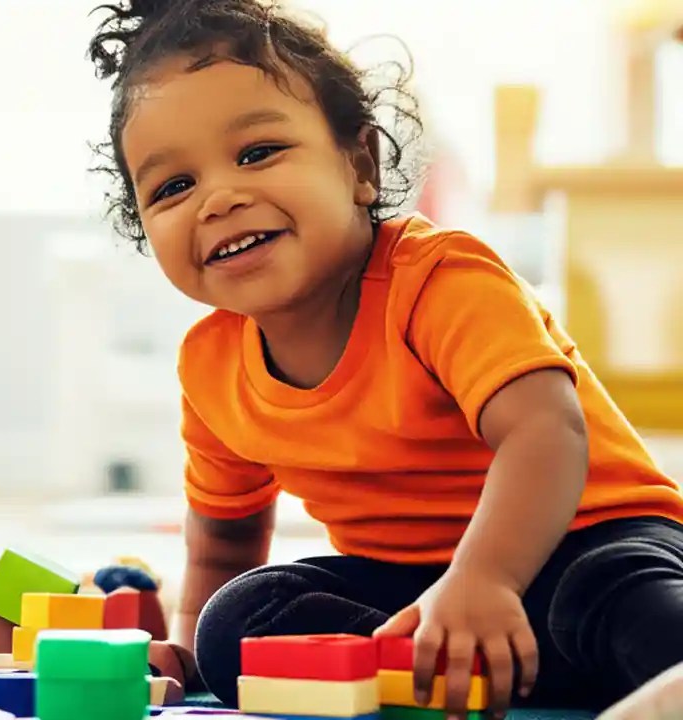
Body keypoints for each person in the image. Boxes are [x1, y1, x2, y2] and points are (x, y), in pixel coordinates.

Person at [84, 0, 683, 717]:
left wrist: (484, 579)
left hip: (583, 541)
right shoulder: (210, 363)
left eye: (257, 153)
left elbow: (546, 433)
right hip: (411, 589)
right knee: (240, 621)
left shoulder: (439, 279)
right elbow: (226, 536)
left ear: (360, 165)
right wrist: (187, 647)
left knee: (618, 592)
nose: (220, 198)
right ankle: (444, 673)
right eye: (173, 187)